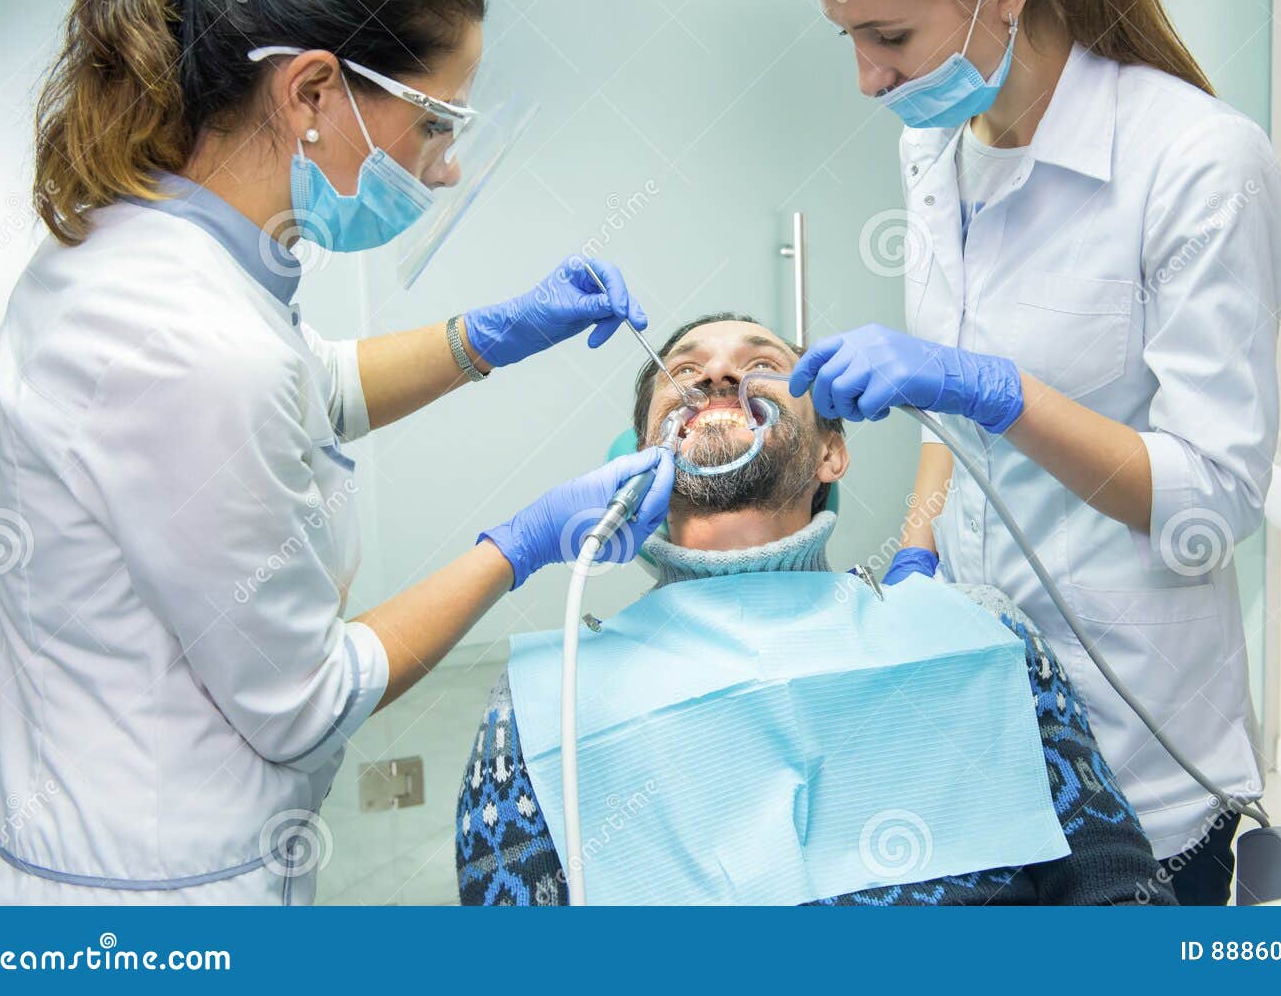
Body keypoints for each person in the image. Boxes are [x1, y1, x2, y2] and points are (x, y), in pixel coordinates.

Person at [0, 0, 674, 905]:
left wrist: (489, 338)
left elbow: (306, 385)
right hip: (141, 901)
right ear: (312, 94)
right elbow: (308, 702)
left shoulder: (159, 248)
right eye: (433, 122)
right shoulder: (187, 340)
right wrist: (517, 545)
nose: (448, 165)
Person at [793, 0, 1281, 903]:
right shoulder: (935, 145)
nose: (866, 80)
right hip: (980, 710)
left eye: (888, 36)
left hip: (1139, 737)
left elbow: (1212, 501)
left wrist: (1001, 392)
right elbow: (947, 414)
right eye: (845, 37)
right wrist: (918, 548)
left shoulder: (1198, 164)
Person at [455, 314, 1175, 906]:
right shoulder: (547, 696)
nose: (719, 375)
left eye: (760, 361)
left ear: (833, 454)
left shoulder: (982, 628)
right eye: (685, 368)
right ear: (641, 455)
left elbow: (1113, 886)